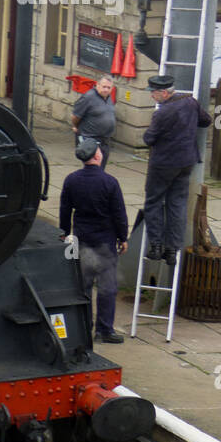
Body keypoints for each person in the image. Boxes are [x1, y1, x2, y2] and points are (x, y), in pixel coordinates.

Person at [60, 138, 129, 344]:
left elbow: (65, 209)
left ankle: (83, 327)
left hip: (81, 240)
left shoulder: (71, 180)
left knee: (84, 286)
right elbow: (119, 214)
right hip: (105, 242)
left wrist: (64, 232)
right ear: (98, 156)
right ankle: (104, 330)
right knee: (107, 287)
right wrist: (123, 237)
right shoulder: (110, 182)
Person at [142, 73, 212, 267]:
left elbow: (148, 139)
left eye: (153, 93)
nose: (152, 96)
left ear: (164, 93)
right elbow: (206, 121)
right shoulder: (191, 102)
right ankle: (172, 250)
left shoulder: (162, 113)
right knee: (177, 204)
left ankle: (156, 246)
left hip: (163, 164)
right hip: (186, 162)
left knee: (153, 202)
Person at [72, 75, 117, 167]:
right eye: (104, 87)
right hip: (90, 138)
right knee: (93, 166)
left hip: (105, 139)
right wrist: (75, 126)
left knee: (101, 166)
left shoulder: (108, 98)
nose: (106, 90)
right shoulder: (88, 97)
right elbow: (75, 116)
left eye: (109, 87)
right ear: (97, 85)